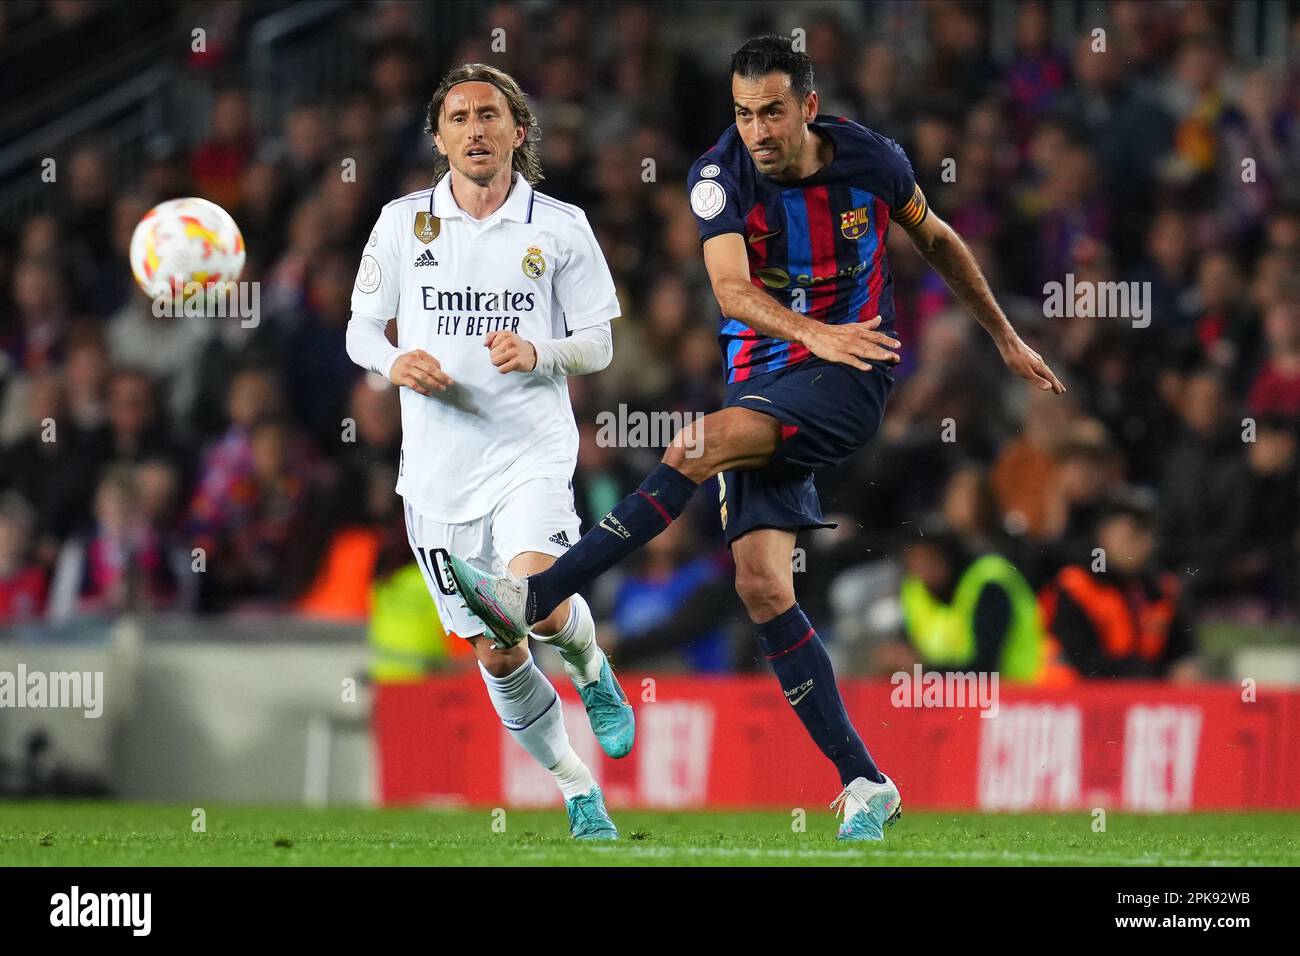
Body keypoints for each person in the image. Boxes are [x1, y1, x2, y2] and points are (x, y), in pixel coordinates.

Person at [448, 35, 1064, 842]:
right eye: (744, 114)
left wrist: (1005, 337)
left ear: (808, 105)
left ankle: (538, 594)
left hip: (852, 374)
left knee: (693, 447)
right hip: (770, 382)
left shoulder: (871, 160)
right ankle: (865, 781)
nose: (759, 130)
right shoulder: (718, 178)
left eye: (773, 111)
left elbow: (939, 239)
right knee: (763, 585)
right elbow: (731, 291)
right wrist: (813, 329)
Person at [344, 64, 633, 840]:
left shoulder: (559, 225)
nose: (476, 129)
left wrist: (541, 354)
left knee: (533, 600)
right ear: (438, 137)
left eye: (491, 115)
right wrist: (392, 362)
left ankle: (593, 672)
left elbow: (600, 344)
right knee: (497, 653)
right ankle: (578, 789)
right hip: (437, 476)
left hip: (529, 452)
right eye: (460, 117)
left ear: (518, 132)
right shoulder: (404, 223)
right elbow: (360, 328)